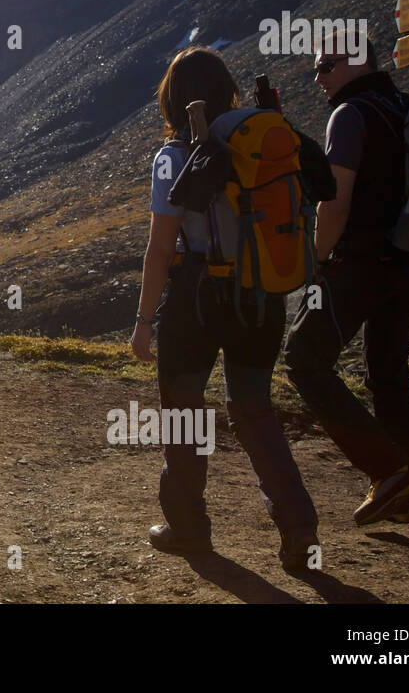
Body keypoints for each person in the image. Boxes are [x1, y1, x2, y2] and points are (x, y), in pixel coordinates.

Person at [131, 46, 320, 571]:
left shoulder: (174, 156)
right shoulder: (264, 142)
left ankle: (187, 528)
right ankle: (298, 526)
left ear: (172, 98)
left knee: (185, 409)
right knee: (254, 409)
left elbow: (161, 248)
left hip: (197, 294)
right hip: (261, 292)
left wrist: (144, 324)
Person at [281, 30, 409, 525]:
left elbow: (335, 200)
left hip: (360, 264)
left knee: (304, 358)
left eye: (325, 66)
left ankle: (388, 470)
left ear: (354, 62)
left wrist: (314, 263)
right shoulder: (408, 107)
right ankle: (404, 488)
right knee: (388, 368)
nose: (319, 77)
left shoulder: (350, 115)